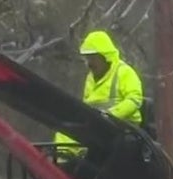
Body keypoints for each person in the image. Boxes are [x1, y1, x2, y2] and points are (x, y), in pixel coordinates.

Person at [52, 30, 145, 160]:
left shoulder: (124, 72)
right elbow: (87, 105)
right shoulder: (90, 78)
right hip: (98, 126)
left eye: (93, 58)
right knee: (66, 132)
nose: (89, 63)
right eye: (87, 58)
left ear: (105, 56)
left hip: (122, 127)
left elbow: (135, 100)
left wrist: (110, 115)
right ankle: (64, 169)